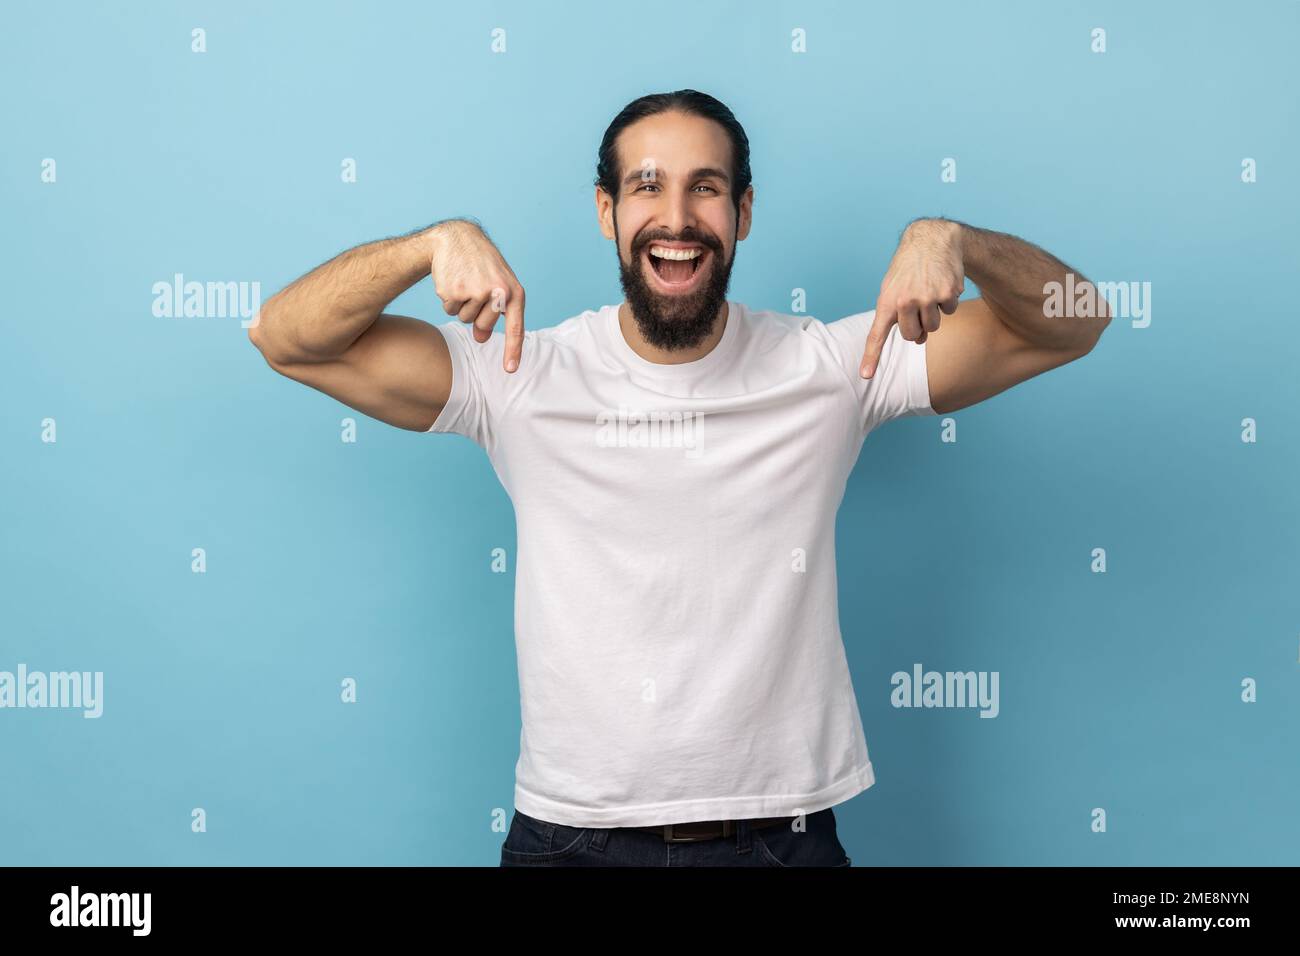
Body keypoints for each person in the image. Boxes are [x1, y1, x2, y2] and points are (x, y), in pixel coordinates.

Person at [248, 89, 1110, 867]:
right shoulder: (516, 373)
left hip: (784, 841)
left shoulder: (839, 365)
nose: (676, 215)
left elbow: (1075, 323)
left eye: (705, 188)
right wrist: (429, 244)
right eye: (647, 186)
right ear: (606, 211)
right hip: (569, 841)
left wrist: (951, 240)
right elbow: (284, 337)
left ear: (742, 212)